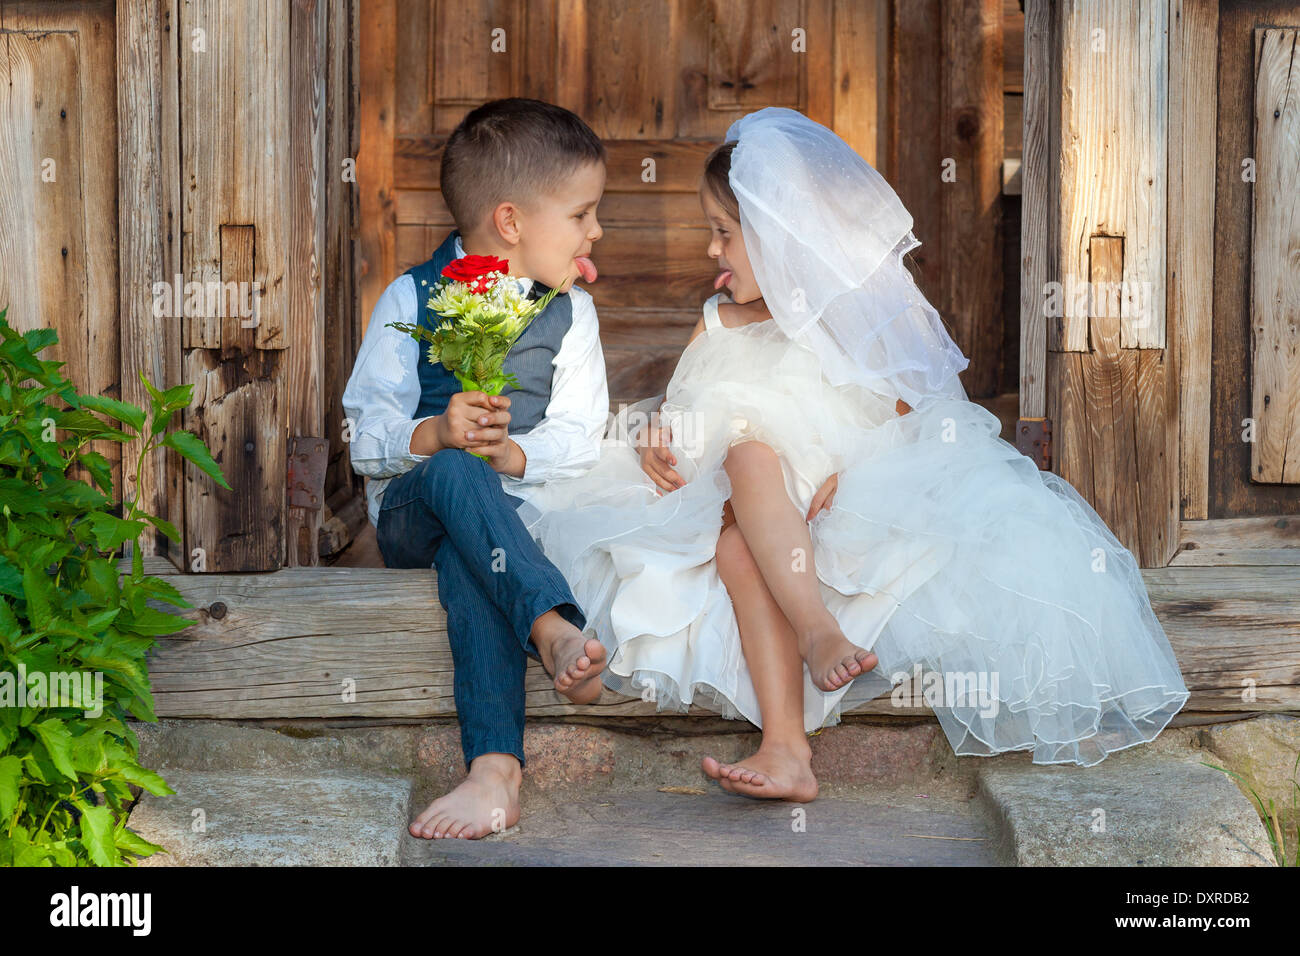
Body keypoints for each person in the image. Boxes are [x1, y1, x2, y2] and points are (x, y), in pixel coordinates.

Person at [515, 107, 1191, 802]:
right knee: (734, 540)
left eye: (725, 234)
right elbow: (680, 406)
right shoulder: (717, 319)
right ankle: (787, 746)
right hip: (728, 502)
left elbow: (914, 417)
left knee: (752, 460)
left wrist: (858, 467)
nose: (712, 252)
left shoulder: (844, 325)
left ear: (779, 237)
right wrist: (659, 436)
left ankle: (816, 635)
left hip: (821, 493)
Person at [342, 98, 610, 838]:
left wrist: (515, 451)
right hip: (414, 509)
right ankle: (554, 628)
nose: (596, 232)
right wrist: (434, 433)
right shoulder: (412, 298)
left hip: (508, 521)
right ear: (512, 221)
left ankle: (494, 773)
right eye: (583, 214)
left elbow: (584, 435)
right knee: (460, 475)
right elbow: (363, 433)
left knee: (475, 555)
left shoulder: (571, 314)